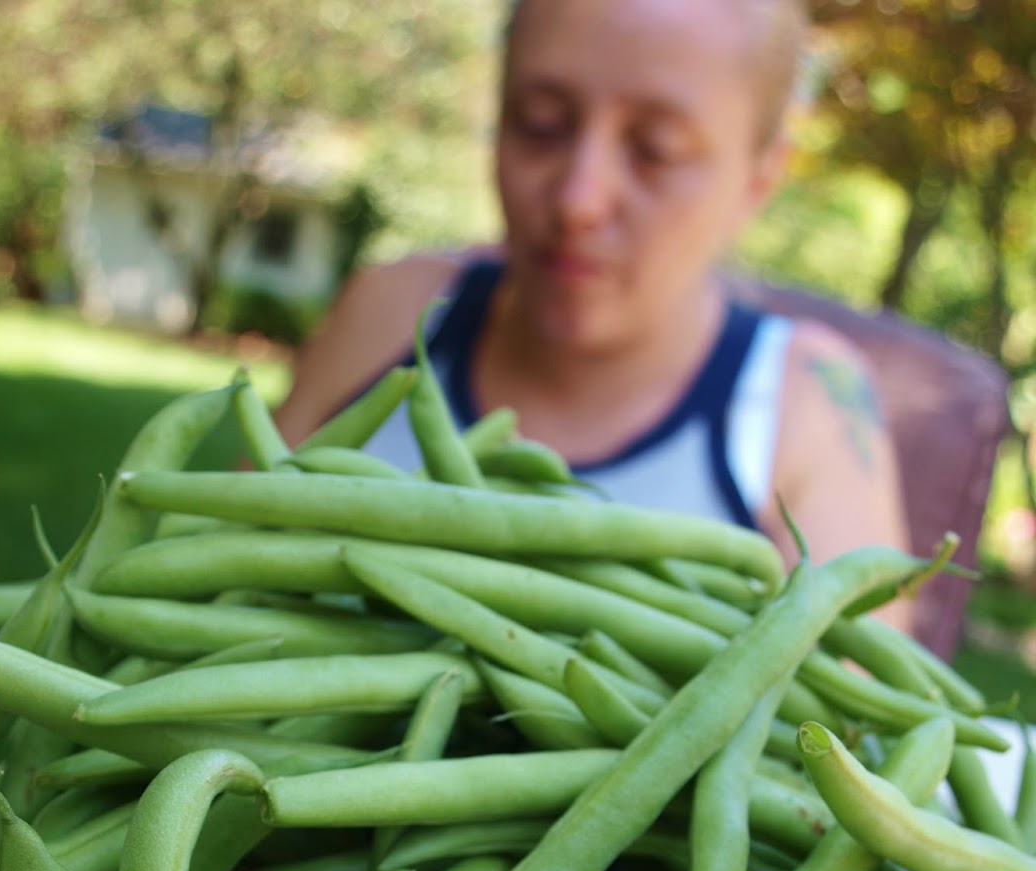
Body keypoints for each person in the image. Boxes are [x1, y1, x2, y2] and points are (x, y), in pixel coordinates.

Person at [275, 0, 914, 622]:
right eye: (541, 123)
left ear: (759, 178)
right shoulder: (395, 312)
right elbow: (217, 567)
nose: (579, 200)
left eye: (656, 149)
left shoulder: (806, 404)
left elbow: (852, 720)